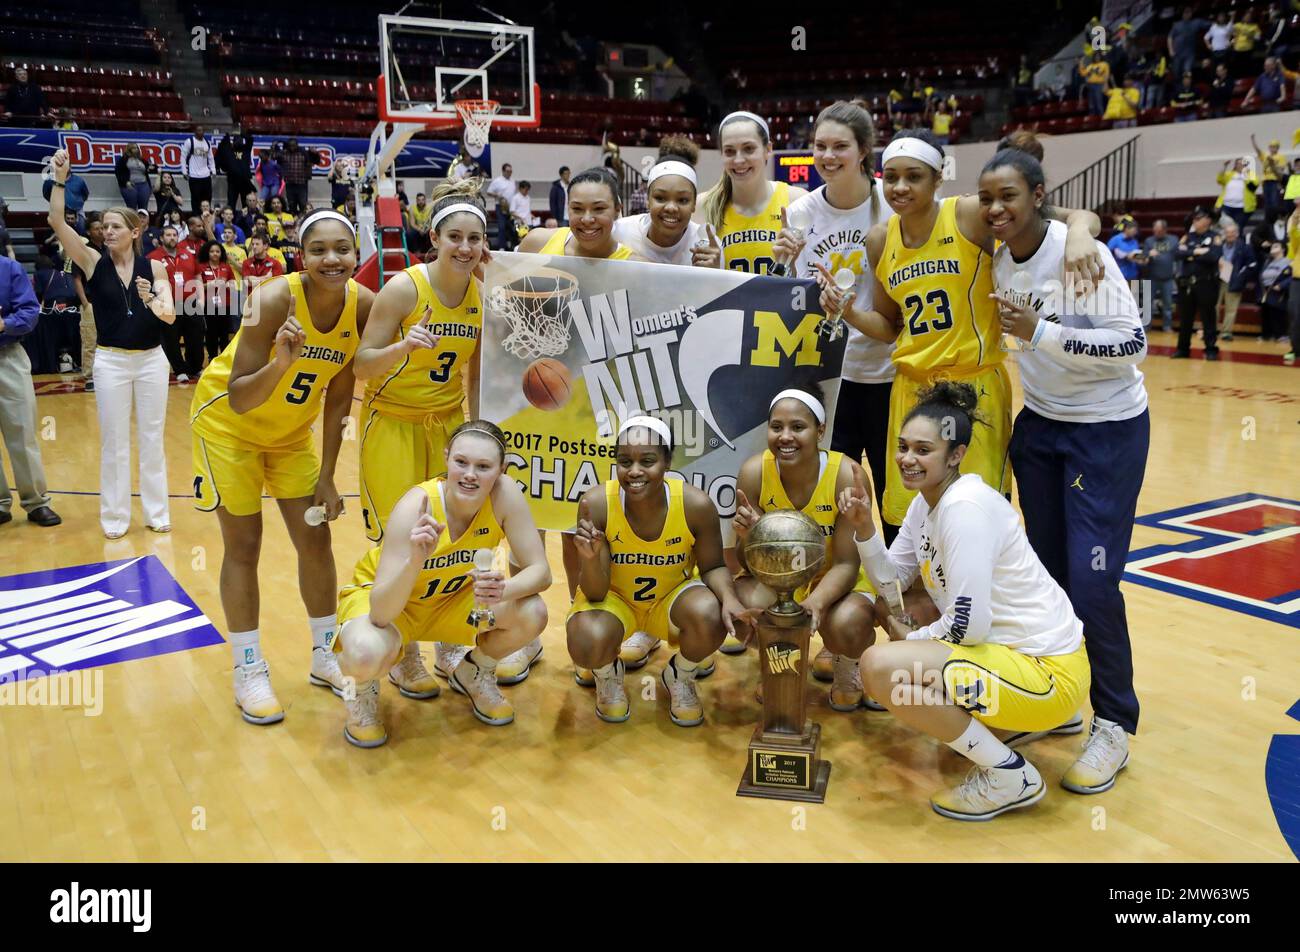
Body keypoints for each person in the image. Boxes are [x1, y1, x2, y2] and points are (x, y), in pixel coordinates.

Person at [844, 382, 1091, 821]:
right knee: (911, 625)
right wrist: (864, 528)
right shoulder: (927, 503)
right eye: (903, 447)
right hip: (1019, 661)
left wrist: (909, 638)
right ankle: (1027, 724)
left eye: (923, 449)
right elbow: (892, 581)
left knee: (881, 668)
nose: (907, 459)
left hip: (1048, 674)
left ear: (955, 455)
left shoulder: (966, 510)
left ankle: (1009, 776)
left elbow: (969, 626)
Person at [984, 145, 1148, 794]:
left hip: (1104, 431)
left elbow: (1132, 344)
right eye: (988, 198)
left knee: (1094, 583)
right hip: (1041, 429)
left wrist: (1043, 330)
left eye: (1010, 197)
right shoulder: (992, 249)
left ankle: (1114, 723)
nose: (997, 209)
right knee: (1049, 580)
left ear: (1039, 195)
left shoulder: (1081, 253)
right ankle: (1059, 702)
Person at [841, 128, 1102, 537]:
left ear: (937, 178)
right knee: (908, 520)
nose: (900, 186)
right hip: (912, 390)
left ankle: (977, 601)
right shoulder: (879, 239)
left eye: (914, 176)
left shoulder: (967, 214)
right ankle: (915, 601)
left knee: (977, 516)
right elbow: (890, 327)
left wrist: (1082, 234)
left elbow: (1073, 216)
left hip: (973, 386)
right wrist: (849, 313)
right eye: (890, 177)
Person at [189, 210, 374, 725]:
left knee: (316, 541)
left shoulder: (363, 306)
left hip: (292, 436)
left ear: (357, 254)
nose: (331, 259)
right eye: (318, 250)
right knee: (244, 546)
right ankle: (248, 667)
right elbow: (241, 398)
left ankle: (323, 656)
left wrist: (328, 475)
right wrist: (282, 361)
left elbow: (340, 396)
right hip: (229, 429)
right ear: (301, 256)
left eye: (342, 249)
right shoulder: (271, 301)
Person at [765, 101, 895, 668]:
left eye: (839, 145)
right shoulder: (800, 211)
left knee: (893, 507)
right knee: (835, 507)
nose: (826, 155)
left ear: (864, 151)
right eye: (819, 145)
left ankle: (896, 627)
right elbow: (786, 299)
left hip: (888, 375)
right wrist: (779, 266)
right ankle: (840, 637)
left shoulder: (892, 205)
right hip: (826, 380)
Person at [335, 421, 550, 744]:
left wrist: (504, 589)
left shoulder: (506, 495)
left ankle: (474, 670)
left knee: (532, 611)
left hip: (452, 602)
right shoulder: (415, 506)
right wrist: (415, 560)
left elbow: (541, 572)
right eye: (461, 462)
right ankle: (362, 693)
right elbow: (380, 612)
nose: (469, 475)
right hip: (394, 606)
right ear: (446, 457)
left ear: (501, 470)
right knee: (364, 653)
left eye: (483, 466)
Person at [354, 177, 490, 686]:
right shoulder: (404, 287)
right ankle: (403, 647)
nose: (465, 247)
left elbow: (475, 371)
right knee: (400, 538)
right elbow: (361, 367)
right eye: (454, 236)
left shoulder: (482, 294)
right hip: (391, 423)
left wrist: (476, 431)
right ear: (434, 237)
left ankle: (451, 643)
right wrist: (401, 348)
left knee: (454, 535)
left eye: (474, 238)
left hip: (449, 428)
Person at [518, 168, 637, 675]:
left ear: (617, 211)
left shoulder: (637, 266)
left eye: (600, 209)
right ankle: (521, 630)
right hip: (535, 403)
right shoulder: (537, 243)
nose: (588, 219)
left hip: (596, 410)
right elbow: (503, 299)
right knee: (523, 519)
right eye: (579, 209)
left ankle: (579, 621)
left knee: (578, 531)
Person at [568, 417, 751, 724]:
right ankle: (607, 673)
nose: (635, 471)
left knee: (712, 612)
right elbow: (596, 593)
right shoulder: (596, 503)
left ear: (667, 461)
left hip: (670, 598)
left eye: (648, 461)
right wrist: (588, 558)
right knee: (586, 641)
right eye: (625, 461)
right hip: (616, 601)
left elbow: (714, 566)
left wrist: (730, 597)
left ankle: (680, 673)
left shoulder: (695, 505)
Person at [47, 149, 175, 538]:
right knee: (114, 442)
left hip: (152, 360)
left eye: (117, 226)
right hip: (111, 363)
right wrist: (59, 180)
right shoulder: (89, 260)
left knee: (152, 440)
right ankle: (115, 518)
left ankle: (156, 513)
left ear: (135, 232)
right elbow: (56, 220)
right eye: (105, 226)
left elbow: (169, 314)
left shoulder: (153, 267)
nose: (108, 231)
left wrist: (151, 298)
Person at [730, 386, 881, 711]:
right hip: (780, 578)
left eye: (798, 427)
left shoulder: (845, 475)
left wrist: (814, 605)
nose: (786, 436)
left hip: (836, 579)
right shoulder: (754, 473)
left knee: (847, 625)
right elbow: (746, 563)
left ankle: (847, 662)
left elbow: (845, 564)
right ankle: (780, 665)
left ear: (820, 430)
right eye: (776, 427)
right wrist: (749, 538)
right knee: (748, 604)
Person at [696, 111, 808, 274]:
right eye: (729, 151)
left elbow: (811, 279)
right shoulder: (702, 206)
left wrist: (788, 264)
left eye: (748, 149)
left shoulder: (797, 200)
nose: (739, 160)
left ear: (768, 149)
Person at [0, 253, 62, 528]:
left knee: (22, 432)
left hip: (7, 355)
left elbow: (29, 311)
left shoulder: (8, 268)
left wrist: (4, 324)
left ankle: (36, 502)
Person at [612, 135, 721, 266]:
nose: (671, 207)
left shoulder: (709, 248)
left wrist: (714, 272)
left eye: (682, 200)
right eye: (660, 198)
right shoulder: (620, 232)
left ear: (694, 204)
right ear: (647, 200)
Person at [148, 224, 202, 381]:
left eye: (174, 235)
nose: (172, 237)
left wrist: (200, 299)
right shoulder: (153, 257)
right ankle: (179, 370)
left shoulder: (188, 254)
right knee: (171, 339)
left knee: (196, 337)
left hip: (190, 303)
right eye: (168, 235)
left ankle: (195, 367)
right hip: (168, 304)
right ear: (161, 238)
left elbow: (198, 276)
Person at [1173, 207, 1222, 360]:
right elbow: (1177, 253)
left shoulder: (1215, 237)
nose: (1195, 221)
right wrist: (1196, 252)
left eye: (1198, 219)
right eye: (1194, 219)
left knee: (1208, 318)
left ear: (1207, 220)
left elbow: (1213, 257)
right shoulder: (1187, 236)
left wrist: (1189, 253)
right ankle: (1183, 349)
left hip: (1205, 283)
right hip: (1186, 284)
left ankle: (1210, 348)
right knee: (1185, 318)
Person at [1216, 220, 1257, 342]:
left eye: (1232, 232)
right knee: (1213, 306)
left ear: (1237, 234)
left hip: (1234, 280)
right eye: (1227, 232)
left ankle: (1226, 332)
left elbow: (1252, 264)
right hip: (1217, 279)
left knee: (1231, 308)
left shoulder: (1245, 247)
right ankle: (1211, 329)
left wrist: (1241, 275)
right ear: (1224, 234)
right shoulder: (1218, 245)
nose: (1230, 235)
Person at [196, 240, 236, 364]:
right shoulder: (201, 267)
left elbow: (233, 282)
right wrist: (210, 284)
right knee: (211, 333)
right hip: (209, 304)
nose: (215, 254)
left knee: (224, 332)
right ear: (207, 253)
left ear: (221, 253)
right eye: (212, 251)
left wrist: (229, 284)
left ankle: (224, 357)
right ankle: (212, 357)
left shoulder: (226, 266)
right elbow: (196, 286)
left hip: (225, 303)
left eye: (217, 251)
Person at [1142, 219, 1178, 332]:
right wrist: (1148, 254)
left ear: (1164, 230)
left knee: (1168, 304)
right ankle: (1146, 326)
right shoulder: (1149, 241)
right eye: (1155, 230)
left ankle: (1167, 326)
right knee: (1147, 304)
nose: (1156, 232)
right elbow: (1142, 257)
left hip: (1167, 278)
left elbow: (1179, 256)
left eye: (1159, 230)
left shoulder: (1173, 240)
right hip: (1151, 277)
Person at [1252, 135, 1289, 230]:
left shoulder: (1281, 157)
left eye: (1275, 146)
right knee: (1267, 203)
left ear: (1278, 148)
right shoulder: (1266, 157)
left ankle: (1275, 220)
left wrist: (1273, 164)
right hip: (1265, 182)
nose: (1273, 148)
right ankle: (1267, 221)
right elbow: (1258, 151)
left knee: (1274, 202)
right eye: (1271, 146)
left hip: (1274, 181)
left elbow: (1281, 170)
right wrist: (1253, 140)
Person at [1258, 239, 1291, 341]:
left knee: (1277, 312)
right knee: (1265, 313)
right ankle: (1266, 335)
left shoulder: (1288, 262)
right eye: (1272, 246)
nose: (1273, 248)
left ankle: (1280, 335)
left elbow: (1291, 277)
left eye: (1276, 246)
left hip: (1279, 290)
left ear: (1283, 249)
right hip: (1266, 290)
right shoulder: (1268, 262)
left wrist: (1281, 285)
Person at [217, 127, 255, 210]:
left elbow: (250, 139)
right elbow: (222, 146)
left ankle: (246, 221)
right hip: (232, 182)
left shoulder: (246, 149)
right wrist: (227, 136)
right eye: (236, 140)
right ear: (233, 142)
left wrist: (240, 134)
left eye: (240, 140)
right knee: (231, 203)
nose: (239, 142)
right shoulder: (229, 150)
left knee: (246, 203)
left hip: (245, 181)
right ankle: (231, 221)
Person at [180, 125, 216, 215]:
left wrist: (213, 171)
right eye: (199, 130)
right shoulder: (190, 142)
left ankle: (206, 217)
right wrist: (184, 172)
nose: (201, 132)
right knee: (196, 200)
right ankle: (196, 218)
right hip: (194, 176)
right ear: (195, 131)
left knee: (207, 199)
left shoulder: (207, 143)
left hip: (206, 176)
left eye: (202, 130)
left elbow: (211, 158)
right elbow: (183, 157)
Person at [1215, 158, 1257, 232]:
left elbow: (1254, 186)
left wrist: (1245, 175)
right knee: (1226, 227)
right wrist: (1224, 166)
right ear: (1235, 165)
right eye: (1238, 163)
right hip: (1227, 206)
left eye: (1242, 164)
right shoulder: (1229, 174)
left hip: (1241, 208)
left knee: (1238, 228)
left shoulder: (1251, 175)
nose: (1240, 165)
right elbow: (1219, 179)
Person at [1169, 6, 1212, 79]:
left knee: (1187, 72)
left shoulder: (1196, 22)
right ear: (1182, 14)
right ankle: (1179, 88)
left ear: (1191, 14)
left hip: (1189, 54)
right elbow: (1170, 37)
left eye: (1189, 12)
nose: (1187, 14)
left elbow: (1211, 24)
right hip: (1177, 53)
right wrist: (1171, 50)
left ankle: (1186, 89)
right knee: (1176, 73)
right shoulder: (1177, 25)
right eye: (1185, 12)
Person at [484, 162, 518, 251]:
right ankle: (501, 246)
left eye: (511, 171)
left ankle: (511, 245)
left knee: (511, 227)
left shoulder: (513, 181)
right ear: (503, 171)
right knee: (502, 226)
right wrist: (498, 196)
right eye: (507, 171)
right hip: (501, 206)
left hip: (510, 207)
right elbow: (489, 192)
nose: (509, 173)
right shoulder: (497, 181)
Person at [279, 138, 317, 214]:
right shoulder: (284, 153)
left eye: (294, 145)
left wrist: (314, 154)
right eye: (290, 146)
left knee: (303, 204)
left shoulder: (303, 153)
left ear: (297, 145)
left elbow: (315, 161)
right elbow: (275, 157)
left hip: (301, 183)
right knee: (291, 204)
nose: (292, 147)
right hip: (289, 183)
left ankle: (303, 220)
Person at [114, 144, 155, 213]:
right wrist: (125, 182)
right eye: (134, 148)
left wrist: (152, 168)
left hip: (143, 185)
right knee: (131, 208)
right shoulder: (123, 160)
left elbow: (150, 167)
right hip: (130, 186)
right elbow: (118, 172)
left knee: (143, 208)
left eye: (137, 148)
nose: (136, 150)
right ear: (129, 149)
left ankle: (143, 222)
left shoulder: (141, 160)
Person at [1078, 51, 1111, 116]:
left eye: (1098, 56)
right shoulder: (1090, 66)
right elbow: (1083, 74)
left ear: (1100, 57)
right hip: (1090, 85)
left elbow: (1107, 75)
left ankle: (1102, 119)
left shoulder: (1104, 64)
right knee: (1091, 105)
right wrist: (1081, 63)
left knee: (1099, 103)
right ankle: (1092, 120)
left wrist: (1105, 84)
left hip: (1099, 85)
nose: (1097, 57)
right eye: (1095, 56)